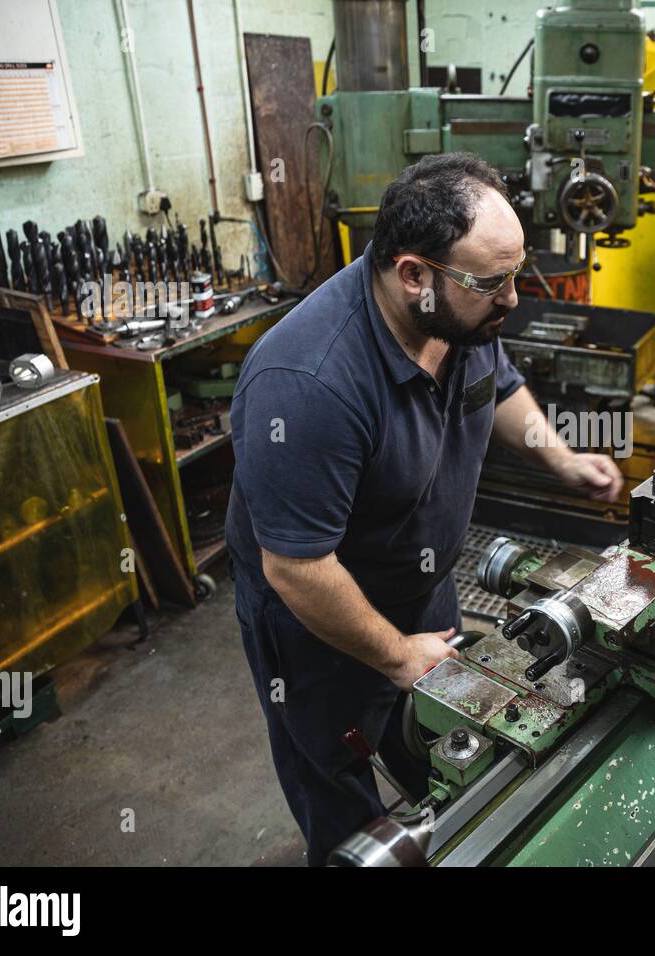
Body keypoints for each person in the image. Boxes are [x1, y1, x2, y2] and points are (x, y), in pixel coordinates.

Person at [225, 152, 622, 864]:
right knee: (341, 787)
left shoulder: (457, 318)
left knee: (444, 740)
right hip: (320, 625)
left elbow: (496, 389)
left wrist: (561, 458)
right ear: (414, 274)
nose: (513, 299)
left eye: (516, 273)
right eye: (493, 283)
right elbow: (296, 566)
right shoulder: (308, 384)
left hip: (424, 581)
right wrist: (398, 655)